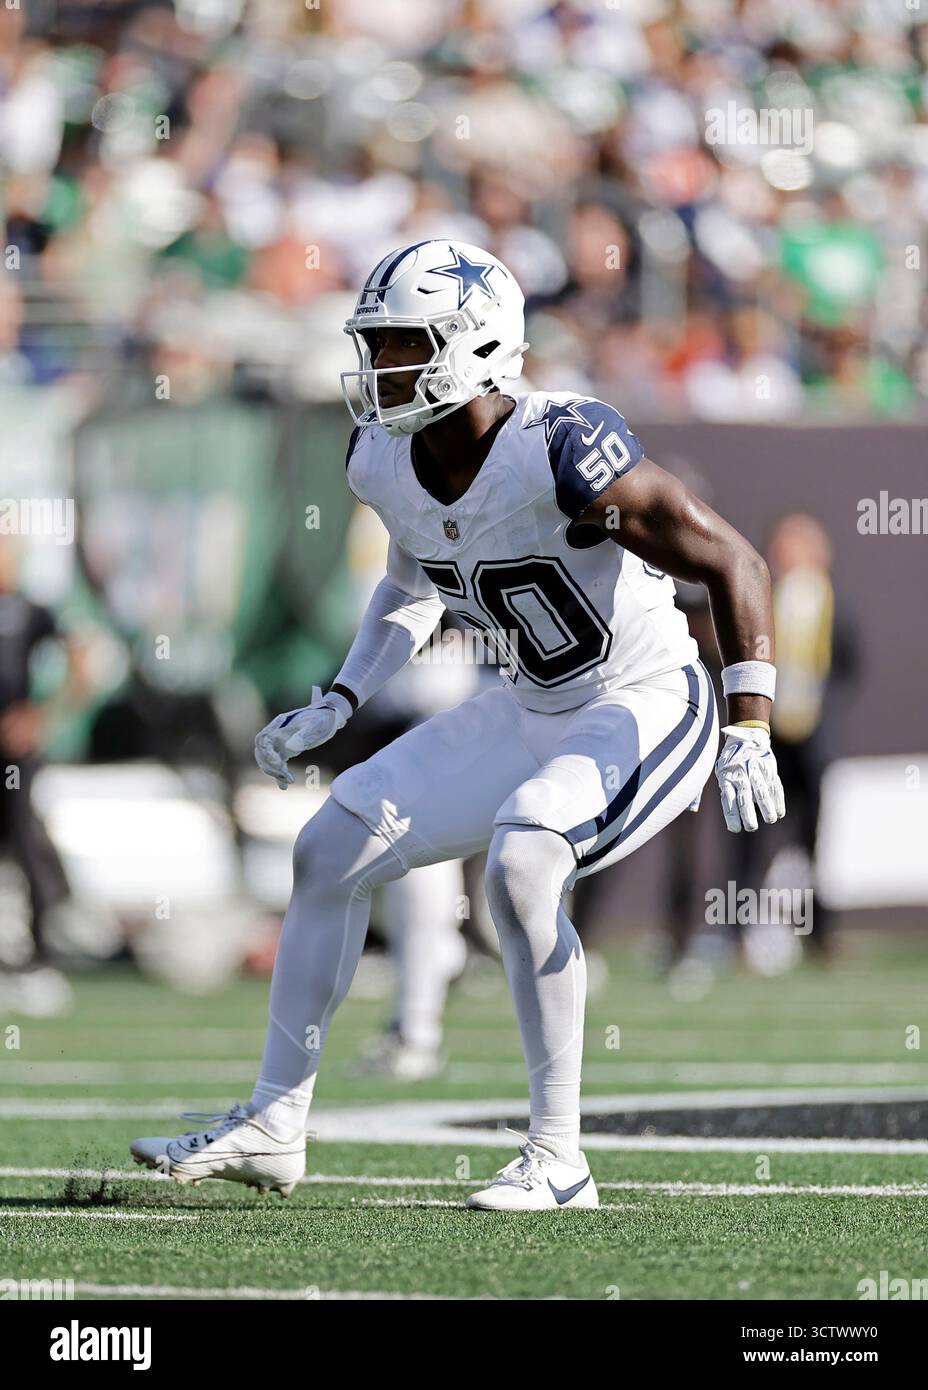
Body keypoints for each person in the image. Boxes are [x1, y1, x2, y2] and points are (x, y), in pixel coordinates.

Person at [131, 240, 785, 1210]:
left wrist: (748, 722)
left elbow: (734, 561)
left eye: (402, 345)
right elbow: (408, 582)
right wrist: (342, 696)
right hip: (530, 704)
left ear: (476, 348)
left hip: (644, 698)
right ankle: (275, 1119)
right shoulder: (383, 457)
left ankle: (558, 1156)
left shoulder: (562, 446)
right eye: (376, 345)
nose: (379, 367)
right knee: (331, 845)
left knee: (524, 857)